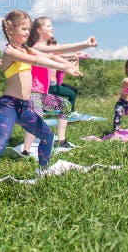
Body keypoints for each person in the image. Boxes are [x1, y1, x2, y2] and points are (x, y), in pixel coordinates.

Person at [0, 10, 82, 182]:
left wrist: (83, 46)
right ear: (10, 30)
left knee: (47, 136)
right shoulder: (10, 51)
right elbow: (37, 61)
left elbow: (52, 53)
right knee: (1, 137)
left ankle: (43, 170)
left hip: (25, 107)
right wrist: (65, 67)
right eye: (23, 28)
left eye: (28, 29)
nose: (27, 32)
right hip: (9, 105)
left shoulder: (27, 50)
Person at [21, 17, 96, 154]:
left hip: (43, 94)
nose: (52, 28)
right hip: (32, 93)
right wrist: (85, 43)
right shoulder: (37, 47)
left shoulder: (45, 49)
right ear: (39, 30)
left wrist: (71, 66)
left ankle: (60, 141)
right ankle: (25, 151)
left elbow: (57, 57)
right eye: (49, 26)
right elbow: (60, 49)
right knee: (37, 118)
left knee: (65, 105)